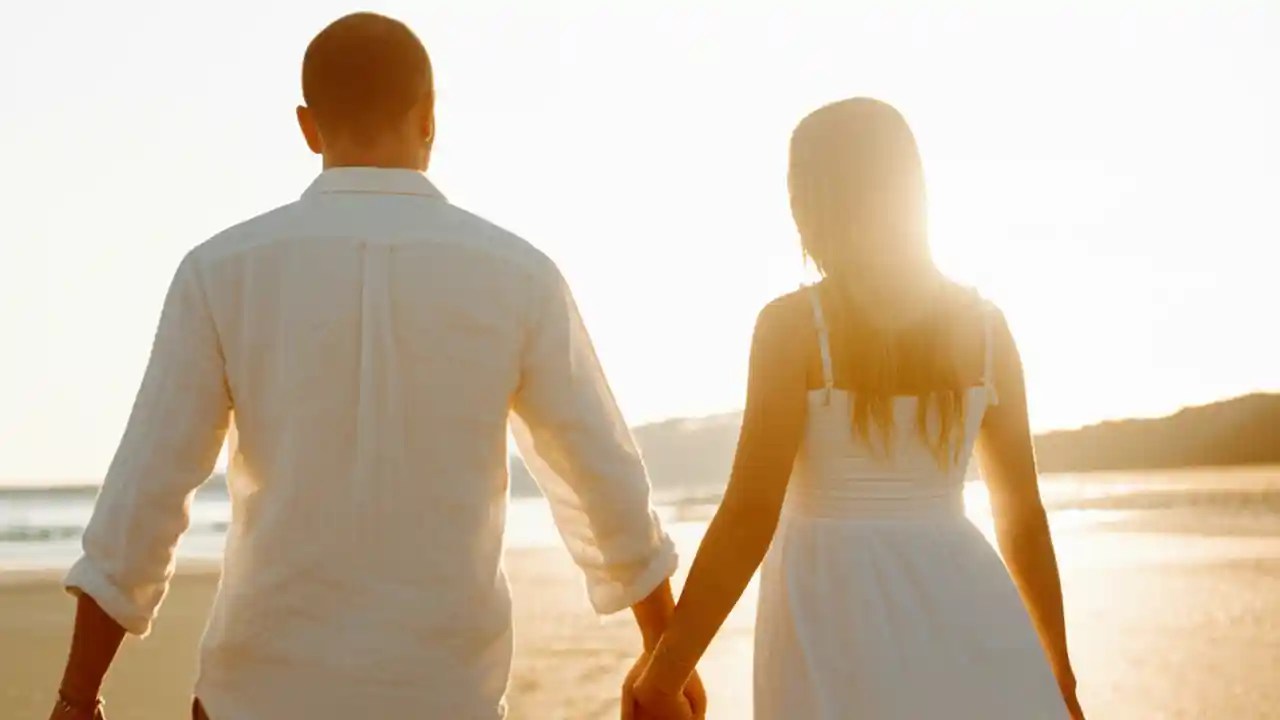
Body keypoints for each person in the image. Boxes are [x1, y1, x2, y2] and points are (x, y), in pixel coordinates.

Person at [49, 12, 702, 720]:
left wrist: (77, 695)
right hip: (443, 696)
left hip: (257, 696)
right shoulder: (518, 275)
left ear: (308, 126)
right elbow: (602, 478)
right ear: (429, 118)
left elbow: (142, 500)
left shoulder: (222, 272)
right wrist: (664, 654)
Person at [625, 98, 1083, 719]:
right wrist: (1057, 673)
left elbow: (748, 516)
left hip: (829, 611)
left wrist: (664, 674)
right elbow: (1021, 515)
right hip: (965, 598)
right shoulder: (984, 329)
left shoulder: (793, 328)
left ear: (811, 203)